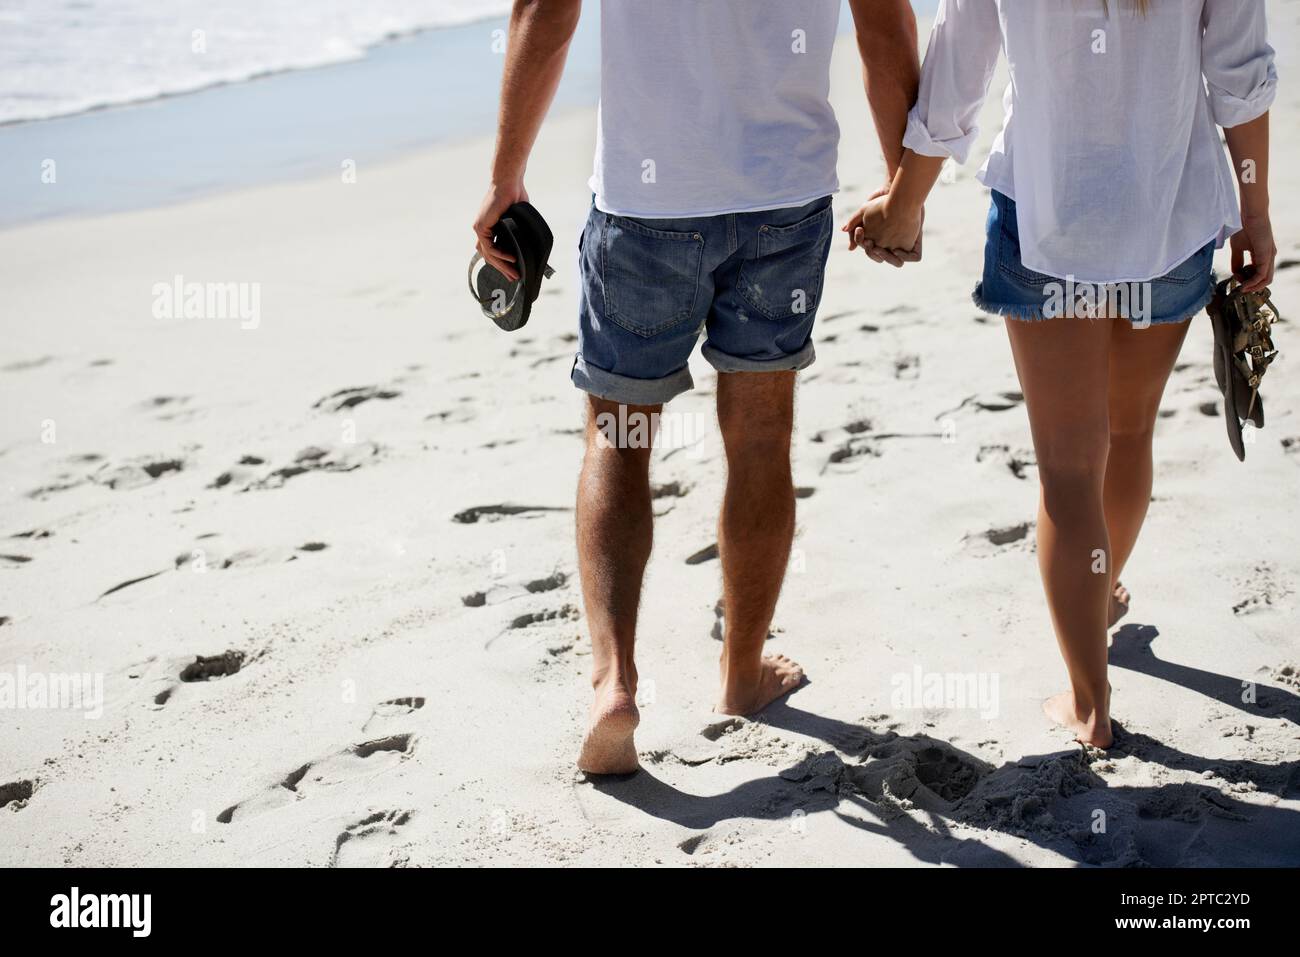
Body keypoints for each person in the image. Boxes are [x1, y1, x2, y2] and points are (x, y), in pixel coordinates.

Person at [474, 0, 921, 773]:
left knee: (619, 440)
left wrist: (505, 175)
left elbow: (547, 11)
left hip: (648, 203)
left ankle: (614, 682)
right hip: (784, 194)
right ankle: (742, 674)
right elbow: (883, 28)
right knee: (759, 439)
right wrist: (900, 187)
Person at [845, 0, 1277, 748]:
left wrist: (905, 204)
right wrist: (1256, 212)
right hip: (1171, 214)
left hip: (1046, 215)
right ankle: (1099, 587)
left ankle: (1090, 704)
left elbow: (958, 73)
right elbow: (1238, 75)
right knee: (1131, 432)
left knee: (1070, 470)